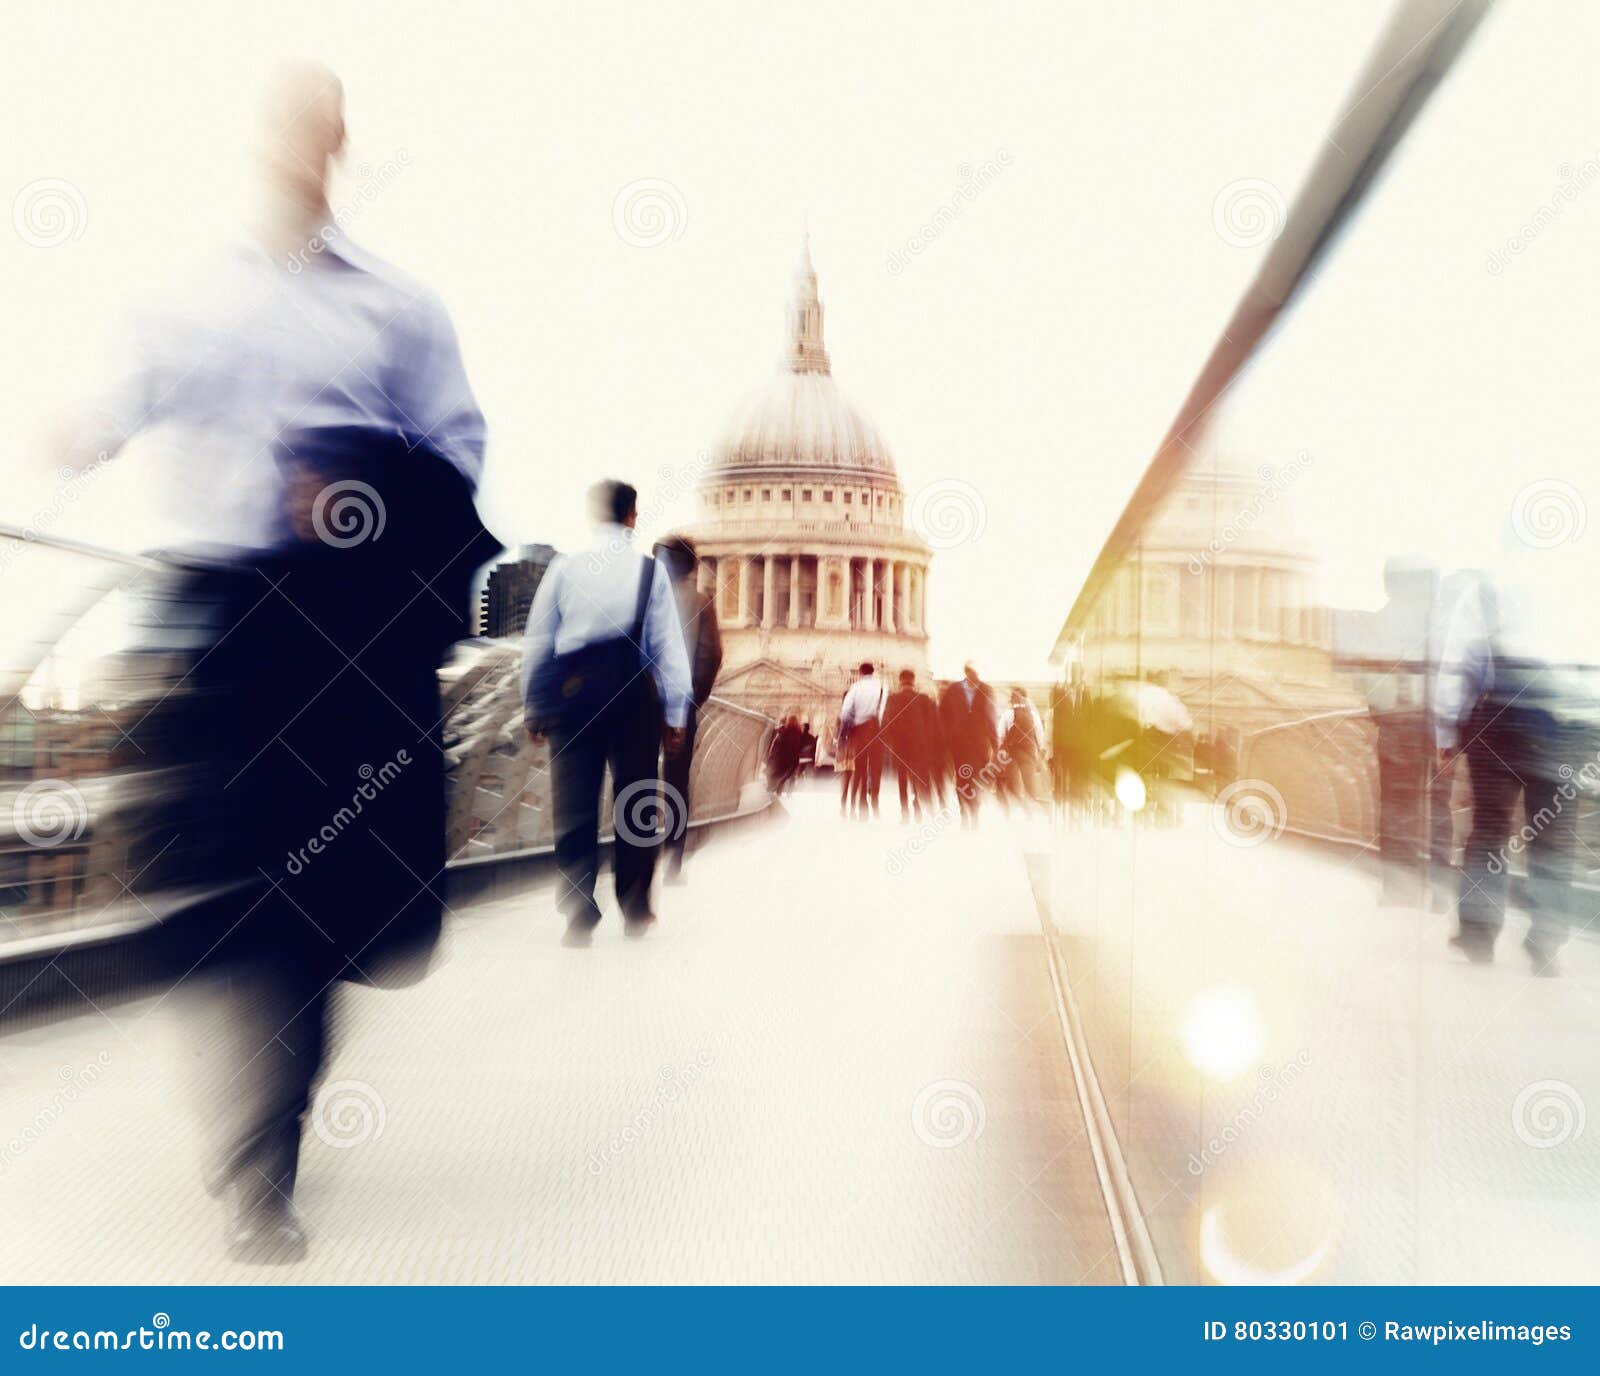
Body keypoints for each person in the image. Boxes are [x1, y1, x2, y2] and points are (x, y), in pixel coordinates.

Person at [53, 62, 499, 1264]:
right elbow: (105, 414)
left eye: (320, 126)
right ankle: (257, 1108)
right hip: (221, 623)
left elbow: (459, 454)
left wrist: (358, 492)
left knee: (315, 904)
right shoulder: (186, 298)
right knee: (221, 889)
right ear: (261, 141)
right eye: (283, 125)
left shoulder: (398, 311)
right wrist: (68, 434)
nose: (301, 144)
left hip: (341, 636)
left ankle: (268, 1154)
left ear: (340, 142)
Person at [522, 481, 692, 944]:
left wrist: (535, 703)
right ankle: (635, 905)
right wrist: (676, 713)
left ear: (591, 516)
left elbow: (539, 641)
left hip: (573, 698)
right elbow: (667, 648)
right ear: (633, 516)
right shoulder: (650, 573)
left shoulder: (564, 568)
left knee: (573, 806)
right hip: (631, 697)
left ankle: (579, 911)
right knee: (635, 801)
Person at [653, 535, 722, 884]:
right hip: (681, 708)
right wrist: (694, 699)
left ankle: (637, 853)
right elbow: (710, 655)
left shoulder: (642, 600)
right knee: (676, 783)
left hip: (639, 706)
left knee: (635, 777)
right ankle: (673, 859)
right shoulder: (699, 602)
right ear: (693, 566)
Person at [938, 662, 1001, 828]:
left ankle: (974, 813)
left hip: (981, 744)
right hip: (959, 744)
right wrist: (945, 740)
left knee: (976, 779)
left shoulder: (987, 690)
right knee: (962, 778)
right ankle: (964, 812)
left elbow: (991, 717)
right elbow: (943, 716)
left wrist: (996, 744)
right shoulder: (954, 690)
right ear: (966, 672)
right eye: (972, 672)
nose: (975, 676)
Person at [881, 669, 939, 822]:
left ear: (900, 681)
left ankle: (904, 812)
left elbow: (887, 723)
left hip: (900, 746)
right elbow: (933, 724)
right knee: (917, 778)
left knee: (902, 779)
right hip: (919, 746)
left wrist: (889, 742)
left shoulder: (893, 699)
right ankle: (918, 807)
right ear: (913, 681)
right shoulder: (923, 699)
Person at [838, 661, 888, 819]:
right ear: (873, 672)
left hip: (859, 732)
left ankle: (855, 805)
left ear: (860, 672)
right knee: (876, 769)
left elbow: (845, 712)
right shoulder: (882, 687)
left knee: (858, 770)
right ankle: (874, 801)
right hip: (876, 731)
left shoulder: (856, 688)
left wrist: (845, 732)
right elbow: (884, 711)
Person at [999, 686, 1045, 814]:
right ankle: (1030, 811)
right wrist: (1040, 753)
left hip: (1011, 754)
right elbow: (1039, 735)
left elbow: (1001, 736)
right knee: (1029, 785)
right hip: (1028, 753)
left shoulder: (1007, 715)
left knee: (1012, 786)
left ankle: (1019, 807)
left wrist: (1000, 753)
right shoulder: (1033, 715)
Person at [766, 716, 805, 795]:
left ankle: (775, 790)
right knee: (790, 775)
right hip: (794, 757)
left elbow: (779, 744)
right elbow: (801, 745)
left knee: (780, 773)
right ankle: (787, 792)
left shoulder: (784, 731)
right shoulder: (799, 732)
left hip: (783, 756)